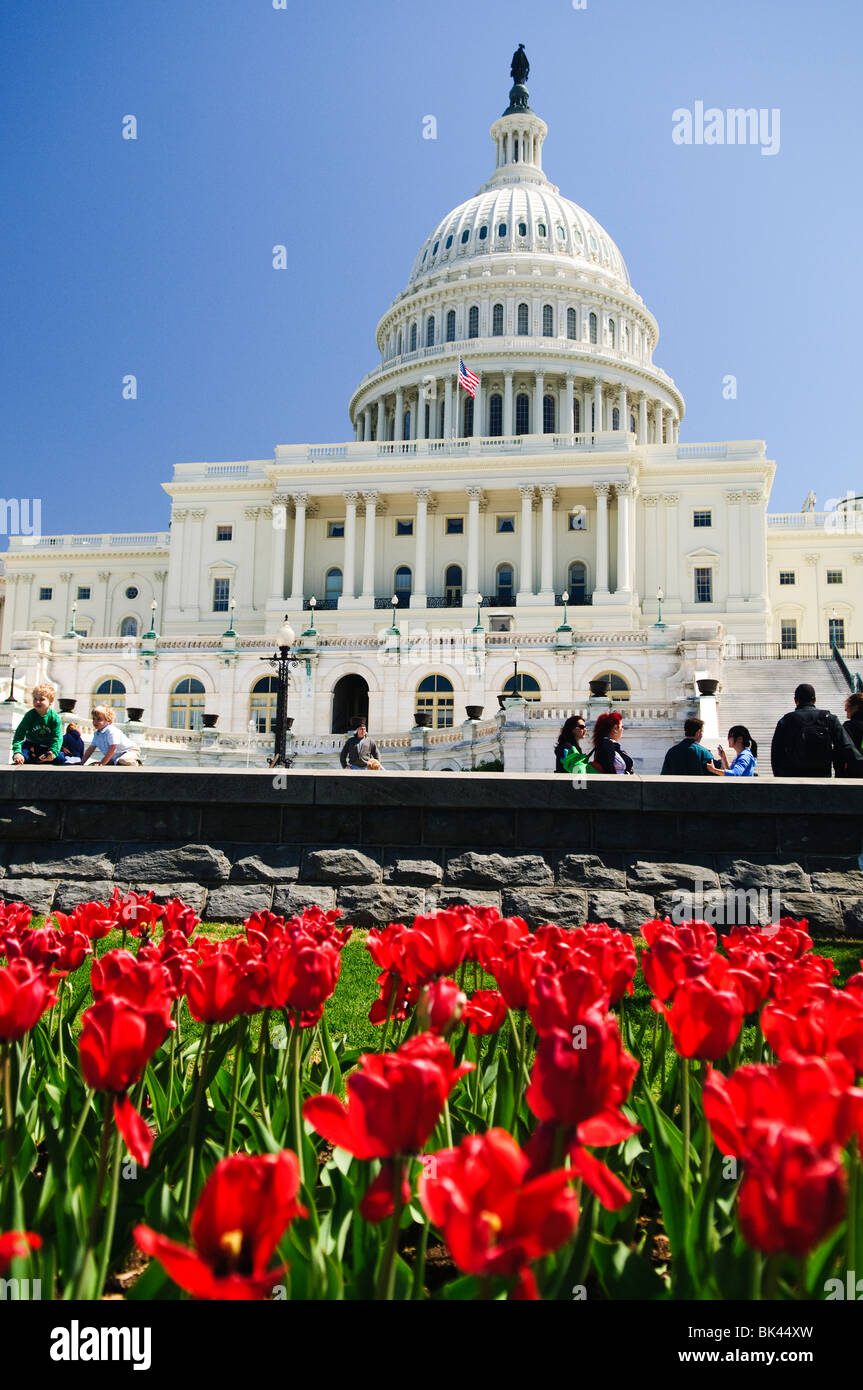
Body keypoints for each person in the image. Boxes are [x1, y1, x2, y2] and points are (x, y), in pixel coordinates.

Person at [771, 683, 862, 778]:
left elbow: (776, 751)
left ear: (795, 700)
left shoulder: (786, 720)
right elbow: (846, 746)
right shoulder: (829, 718)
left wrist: (779, 776)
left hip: (793, 776)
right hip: (822, 776)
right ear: (814, 700)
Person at [11, 683, 63, 765]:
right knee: (23, 758)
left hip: (47, 748)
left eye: (42, 699)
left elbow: (57, 738)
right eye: (35, 699)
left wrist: (53, 752)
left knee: (60, 759)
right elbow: (19, 734)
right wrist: (17, 752)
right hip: (31, 746)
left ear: (51, 701)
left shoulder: (54, 718)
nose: (37, 702)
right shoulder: (30, 715)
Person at [590, 710, 634, 775]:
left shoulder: (605, 744)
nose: (623, 729)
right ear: (615, 728)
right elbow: (609, 771)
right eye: (622, 726)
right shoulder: (606, 744)